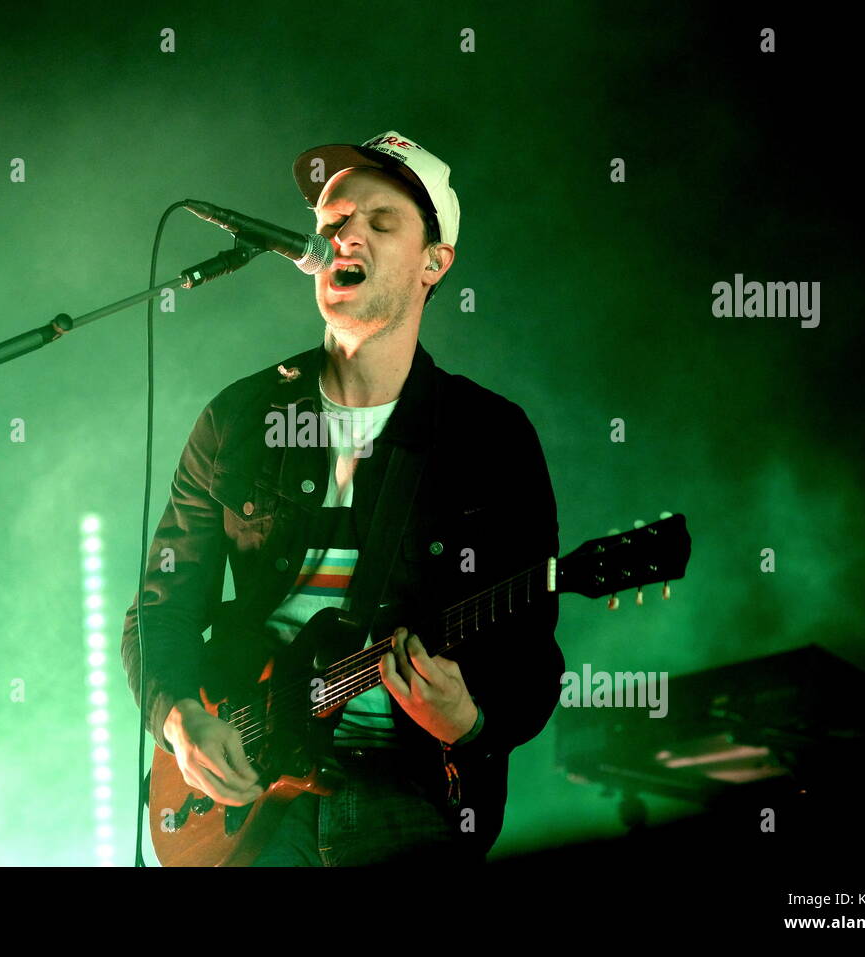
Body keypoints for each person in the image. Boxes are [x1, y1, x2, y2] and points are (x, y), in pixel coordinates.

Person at [122, 130, 565, 866]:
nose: (344, 233)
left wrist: (472, 720)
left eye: (379, 221)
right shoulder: (239, 418)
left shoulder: (490, 437)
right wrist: (178, 719)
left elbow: (531, 656)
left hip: (412, 797)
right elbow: (160, 609)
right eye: (332, 223)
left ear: (435, 262)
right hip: (248, 799)